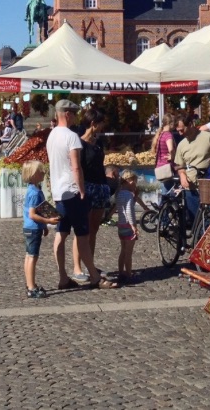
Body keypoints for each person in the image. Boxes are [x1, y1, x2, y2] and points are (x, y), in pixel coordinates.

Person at [47, 99, 116, 290]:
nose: (77, 117)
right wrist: (82, 190)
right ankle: (94, 276)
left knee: (61, 234)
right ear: (67, 114)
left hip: (59, 192)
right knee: (83, 235)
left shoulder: (52, 135)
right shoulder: (71, 137)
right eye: (75, 114)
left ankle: (63, 276)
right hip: (73, 191)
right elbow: (76, 167)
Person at [71, 107, 110, 282]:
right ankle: (77, 267)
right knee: (82, 230)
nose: (102, 127)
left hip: (100, 187)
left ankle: (90, 264)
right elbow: (77, 168)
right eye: (100, 123)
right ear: (93, 124)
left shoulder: (98, 142)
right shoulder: (79, 144)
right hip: (87, 188)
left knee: (93, 229)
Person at [21, 160, 58, 299]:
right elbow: (33, 214)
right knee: (32, 257)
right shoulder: (35, 193)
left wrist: (44, 226)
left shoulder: (33, 190)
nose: (43, 173)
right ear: (34, 175)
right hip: (33, 227)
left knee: (28, 256)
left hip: (30, 227)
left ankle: (30, 284)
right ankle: (31, 287)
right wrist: (48, 221)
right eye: (40, 171)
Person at [173, 126, 210, 224]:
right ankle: (198, 238)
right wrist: (182, 175)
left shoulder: (208, 137)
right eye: (178, 131)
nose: (180, 133)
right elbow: (179, 165)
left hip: (209, 185)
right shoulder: (182, 144)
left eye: (182, 129)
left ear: (190, 124)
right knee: (195, 221)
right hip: (191, 187)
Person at [115, 169, 139, 284]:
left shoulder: (119, 194)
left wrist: (134, 197)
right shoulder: (128, 195)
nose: (135, 185)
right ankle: (128, 273)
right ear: (130, 181)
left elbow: (123, 208)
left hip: (121, 225)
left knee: (123, 250)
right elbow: (129, 211)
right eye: (135, 182)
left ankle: (121, 272)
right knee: (129, 253)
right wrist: (133, 226)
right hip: (128, 226)